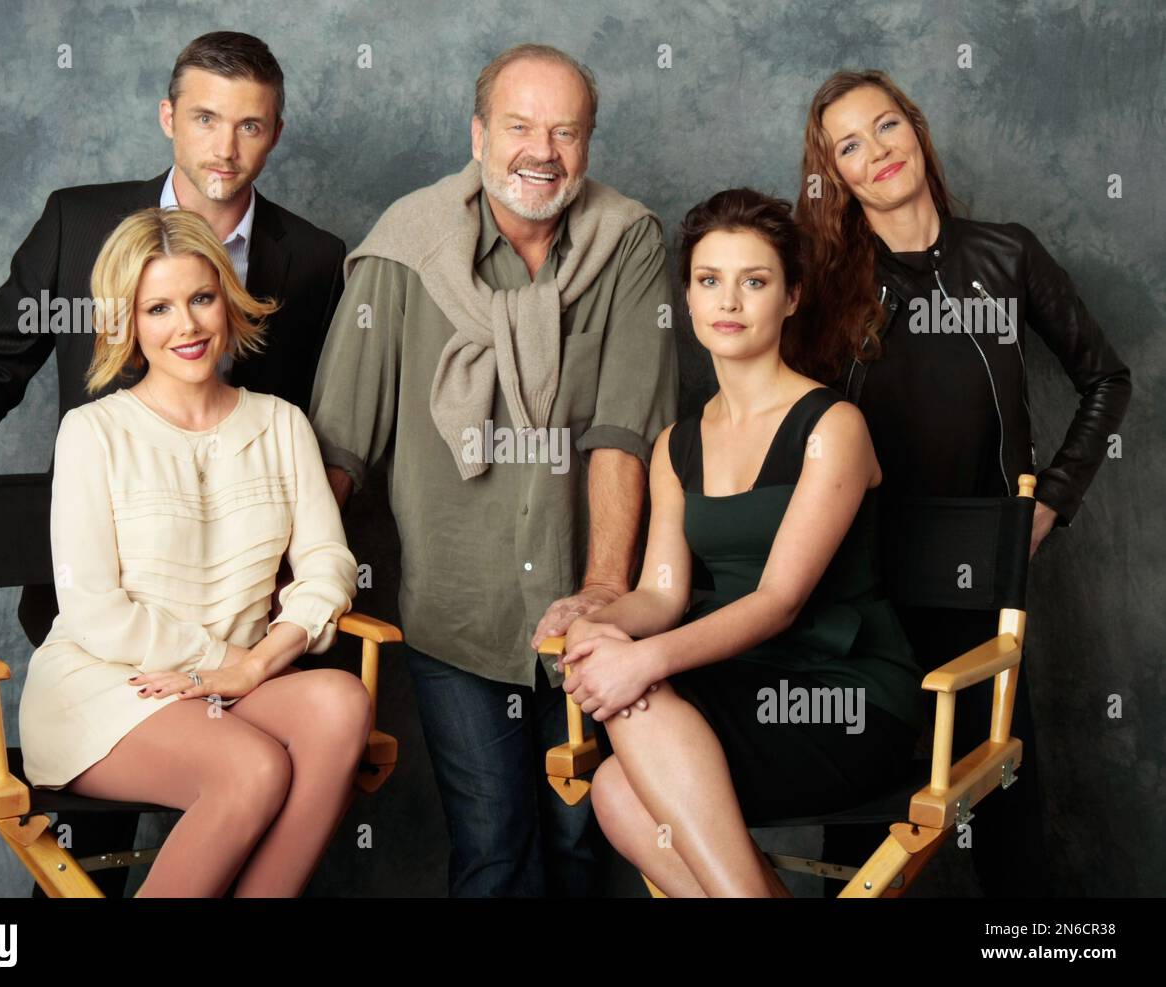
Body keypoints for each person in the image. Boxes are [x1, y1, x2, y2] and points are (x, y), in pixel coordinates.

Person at [0, 31, 346, 896]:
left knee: (278, 754)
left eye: (248, 126)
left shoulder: (313, 260)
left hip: (244, 605)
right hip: (103, 622)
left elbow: (318, 425)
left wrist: (275, 628)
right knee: (99, 846)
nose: (223, 147)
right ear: (169, 117)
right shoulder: (78, 224)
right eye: (204, 118)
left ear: (274, 133)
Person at [308, 43, 678, 896]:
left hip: (591, 615)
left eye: (566, 130)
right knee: (492, 853)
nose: (541, 151)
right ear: (478, 135)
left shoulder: (628, 242)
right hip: (457, 614)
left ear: (587, 144)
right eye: (519, 126)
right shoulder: (402, 250)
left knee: (587, 849)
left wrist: (601, 596)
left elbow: (624, 433)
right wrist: (288, 610)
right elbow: (338, 451)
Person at [795, 70, 1131, 897]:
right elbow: (786, 424)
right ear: (834, 175)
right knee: (863, 823)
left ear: (916, 129)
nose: (876, 153)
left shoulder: (1006, 254)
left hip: (984, 576)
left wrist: (1050, 501)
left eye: (886, 126)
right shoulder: (827, 284)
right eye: (849, 145)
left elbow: (1106, 377)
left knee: (1006, 807)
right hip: (863, 582)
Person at [560, 188, 927, 897]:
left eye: (754, 281)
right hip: (734, 686)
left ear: (790, 297)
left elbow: (778, 601)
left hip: (841, 698)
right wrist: (593, 622)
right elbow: (661, 594)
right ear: (689, 300)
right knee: (612, 788)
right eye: (708, 281)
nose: (728, 301)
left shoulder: (832, 426)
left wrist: (639, 661)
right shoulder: (677, 444)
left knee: (632, 720)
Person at [18, 206, 364, 897]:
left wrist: (256, 663)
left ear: (227, 299)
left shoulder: (281, 425)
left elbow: (329, 567)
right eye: (159, 307)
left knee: (342, 703)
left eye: (202, 297)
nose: (188, 326)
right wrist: (219, 661)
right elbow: (93, 610)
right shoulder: (94, 433)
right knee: (253, 768)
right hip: (107, 686)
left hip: (230, 687)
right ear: (129, 322)